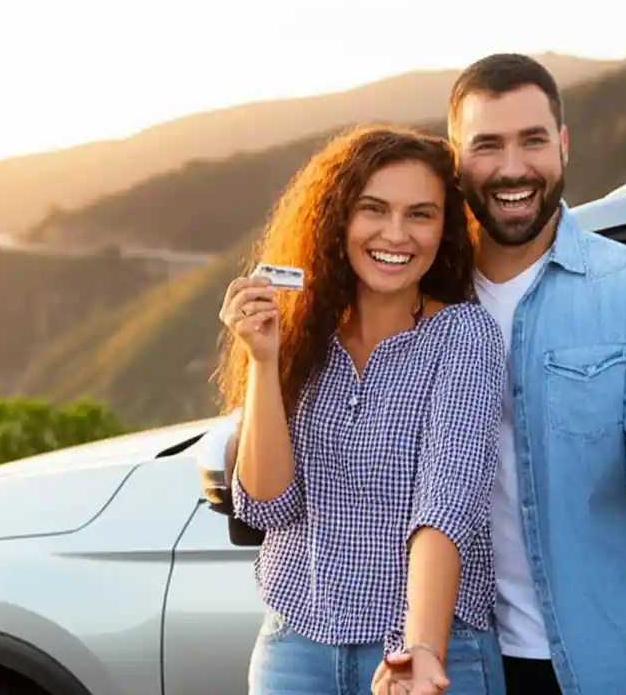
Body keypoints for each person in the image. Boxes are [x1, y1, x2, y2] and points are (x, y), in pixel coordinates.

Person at [374, 54, 626, 695]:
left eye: (532, 140)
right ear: (455, 160)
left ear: (562, 145)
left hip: (602, 668)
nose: (513, 168)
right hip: (448, 662)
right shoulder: (415, 293)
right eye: (488, 145)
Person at [215, 124, 507, 694]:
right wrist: (262, 360)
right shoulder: (302, 336)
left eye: (420, 214)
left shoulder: (464, 337)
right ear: (338, 220)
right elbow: (269, 504)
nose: (396, 235)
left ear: (444, 229)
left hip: (429, 651)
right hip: (295, 650)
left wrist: (420, 651)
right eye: (373, 209)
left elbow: (446, 507)